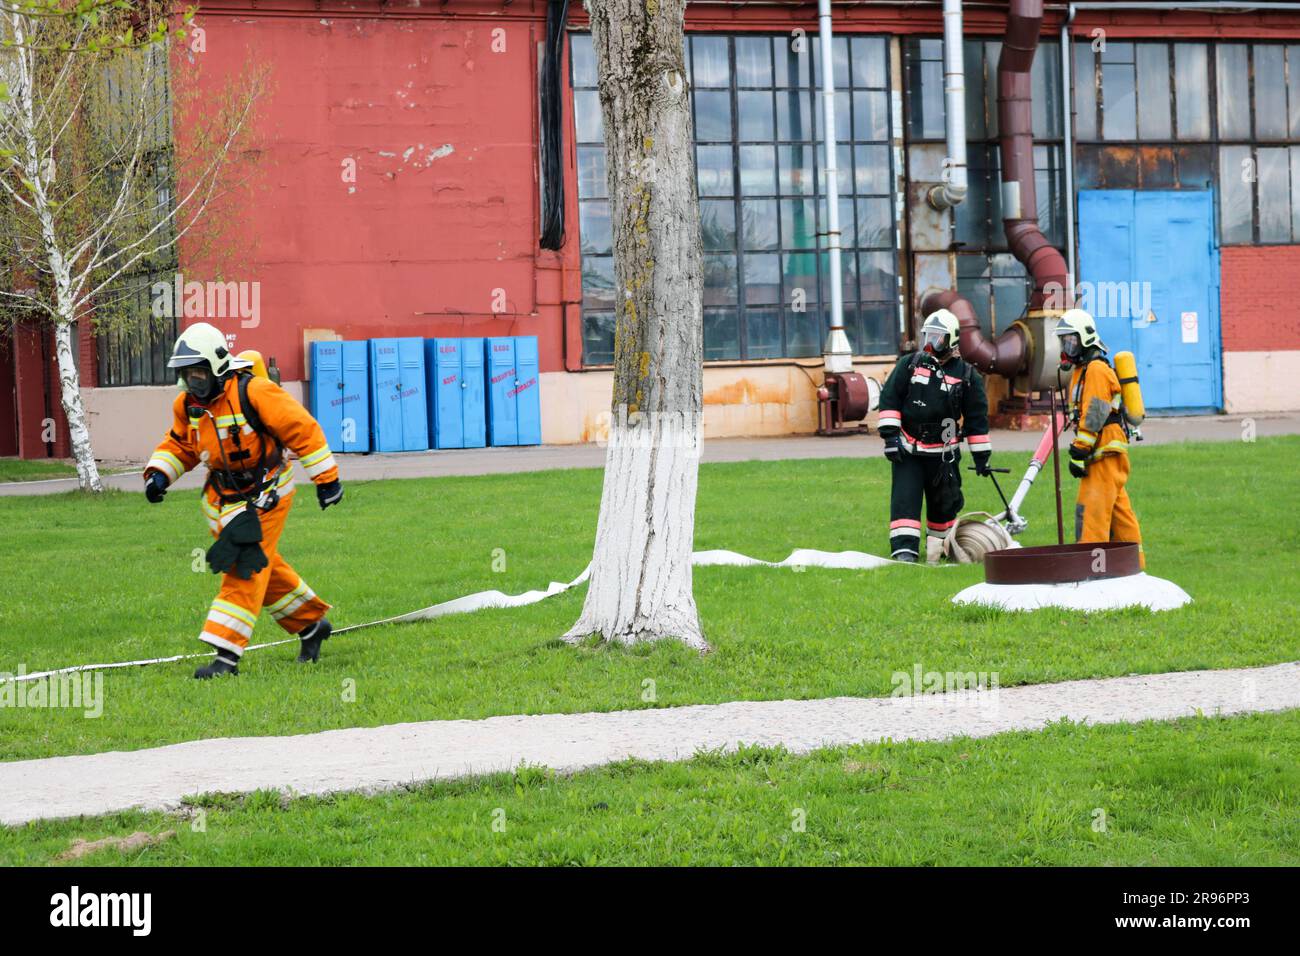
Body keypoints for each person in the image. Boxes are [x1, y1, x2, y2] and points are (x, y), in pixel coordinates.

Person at [144, 322, 345, 678]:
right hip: (223, 499)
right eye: (187, 375)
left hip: (267, 492)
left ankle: (226, 657)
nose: (193, 383)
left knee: (244, 565)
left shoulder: (256, 392)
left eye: (199, 374)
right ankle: (312, 626)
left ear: (218, 367)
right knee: (263, 563)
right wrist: (160, 474)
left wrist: (327, 480)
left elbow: (303, 428)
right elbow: (181, 444)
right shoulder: (188, 405)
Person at [877, 308, 992, 563]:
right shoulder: (909, 365)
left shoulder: (967, 376)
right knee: (905, 499)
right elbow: (889, 399)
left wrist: (982, 456)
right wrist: (891, 438)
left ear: (951, 340)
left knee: (944, 502)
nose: (930, 343)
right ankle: (904, 549)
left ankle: (939, 548)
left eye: (937, 337)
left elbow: (977, 420)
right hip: (909, 449)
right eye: (928, 335)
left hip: (945, 453)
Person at [1055, 308, 1144, 568]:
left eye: (1071, 340)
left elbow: (1095, 412)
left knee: (1091, 511)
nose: (1067, 346)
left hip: (1103, 451)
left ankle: (1088, 570)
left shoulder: (1095, 369)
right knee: (1120, 515)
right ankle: (1134, 566)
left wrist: (1079, 451)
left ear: (1085, 339)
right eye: (1064, 341)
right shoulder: (1083, 370)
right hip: (1106, 452)